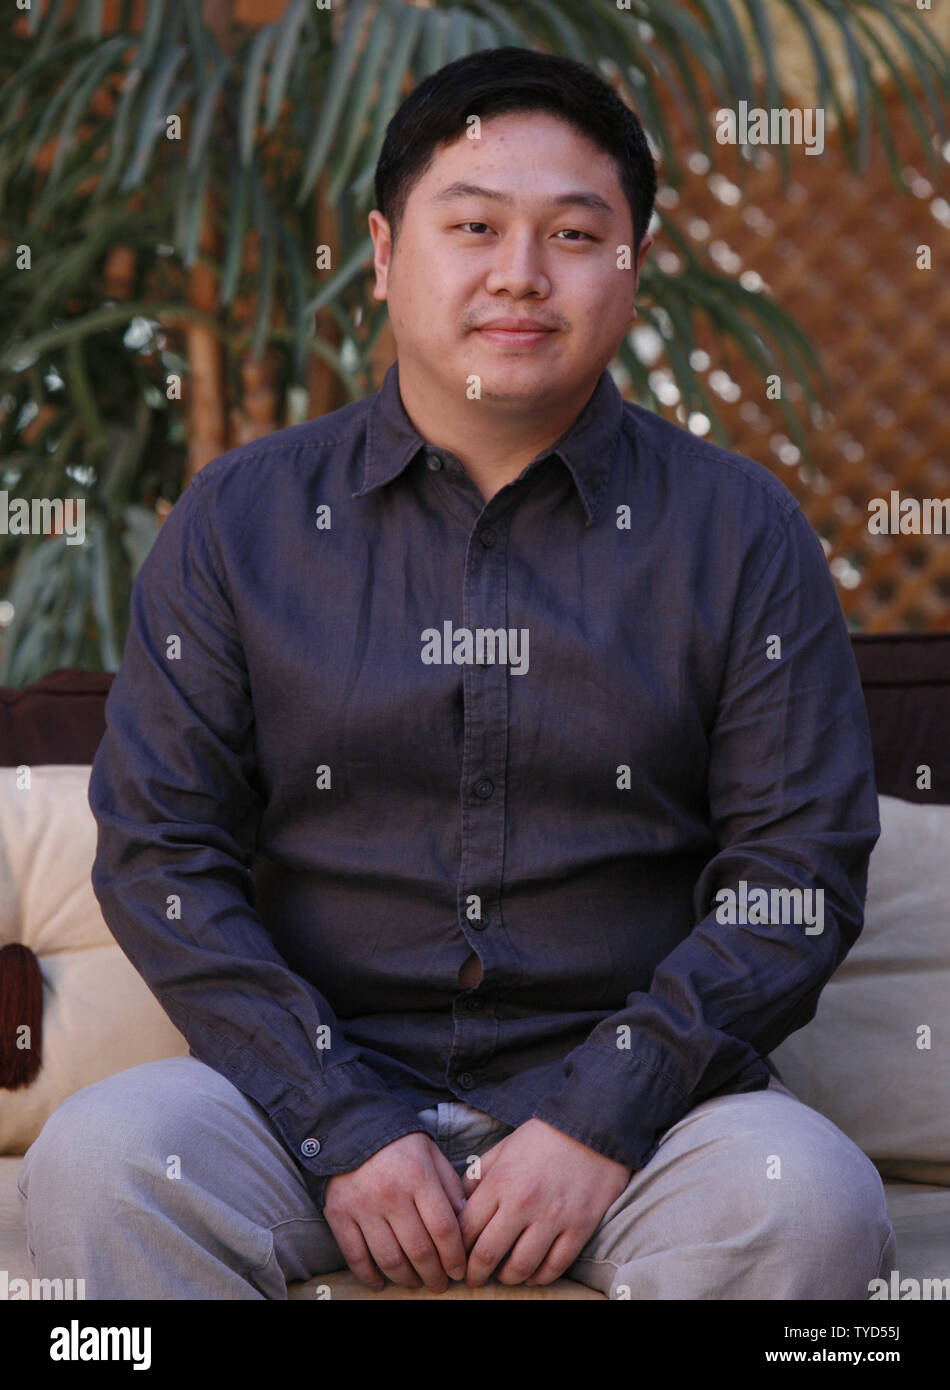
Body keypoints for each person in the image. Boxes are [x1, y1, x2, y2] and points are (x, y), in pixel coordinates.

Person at [19, 46, 895, 1301]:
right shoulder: (239, 523)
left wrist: (603, 1114)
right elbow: (160, 851)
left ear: (629, 269)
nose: (519, 275)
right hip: (304, 1099)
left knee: (805, 1202)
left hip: (643, 1116)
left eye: (575, 233)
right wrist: (342, 1121)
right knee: (103, 1161)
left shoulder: (738, 532)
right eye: (473, 224)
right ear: (382, 254)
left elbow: (794, 870)